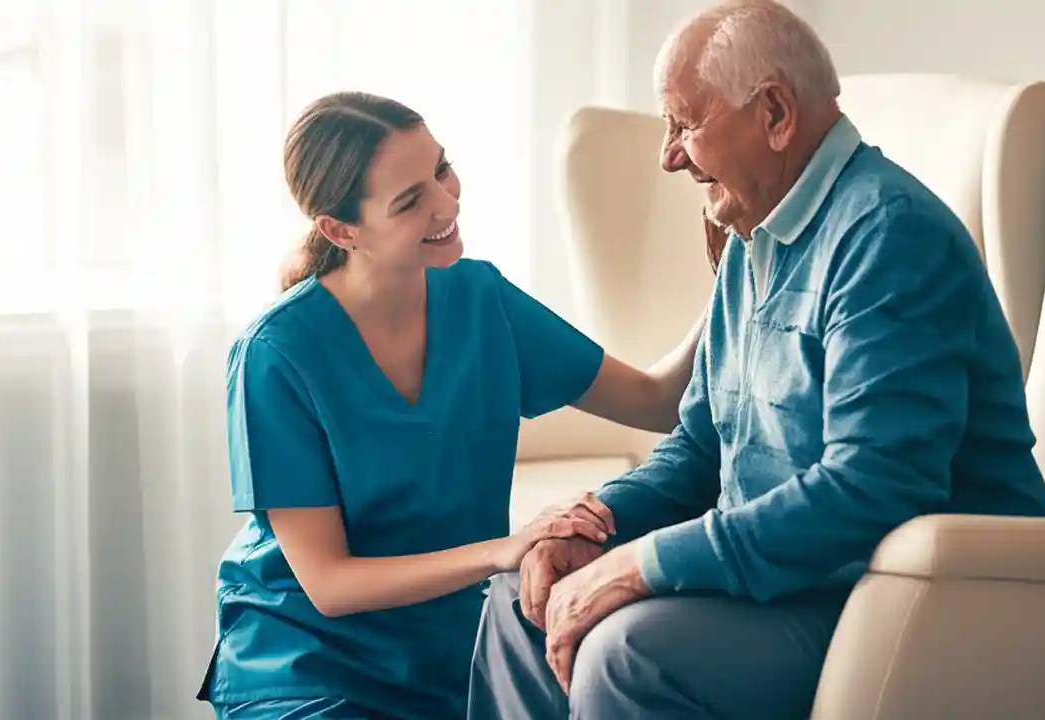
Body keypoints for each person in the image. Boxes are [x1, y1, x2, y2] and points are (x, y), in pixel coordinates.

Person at [467, 2, 1045, 718]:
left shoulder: (888, 238)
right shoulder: (752, 235)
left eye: (683, 124)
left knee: (630, 655)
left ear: (774, 112)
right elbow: (699, 447)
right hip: (791, 579)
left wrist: (644, 565)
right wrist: (591, 527)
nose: (668, 155)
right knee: (522, 597)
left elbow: (874, 488)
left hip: (897, 598)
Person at [195, 91, 706, 719]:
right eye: (410, 200)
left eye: (441, 168)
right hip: (308, 663)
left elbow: (657, 401)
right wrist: (502, 550)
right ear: (339, 230)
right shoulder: (275, 354)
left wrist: (743, 254)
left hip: (452, 655)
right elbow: (328, 584)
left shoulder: (481, 299)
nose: (447, 202)